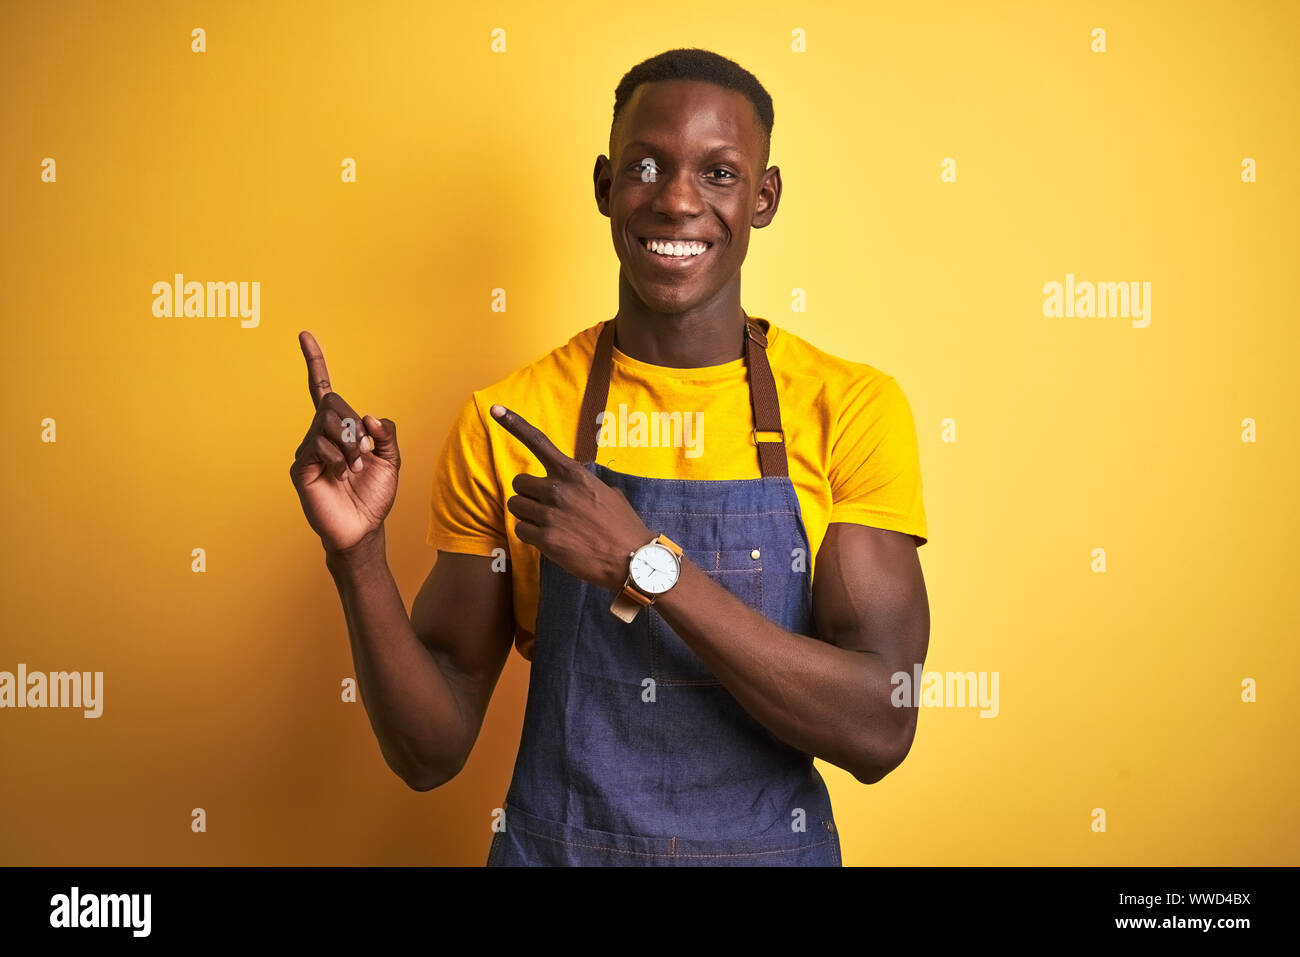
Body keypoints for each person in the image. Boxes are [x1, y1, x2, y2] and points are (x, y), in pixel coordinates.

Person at [290, 47, 930, 866]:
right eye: (647, 167)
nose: (676, 200)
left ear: (764, 198)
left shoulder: (851, 409)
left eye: (720, 174)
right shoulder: (507, 421)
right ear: (604, 186)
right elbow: (430, 748)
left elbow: (880, 724)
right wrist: (358, 554)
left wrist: (642, 561)